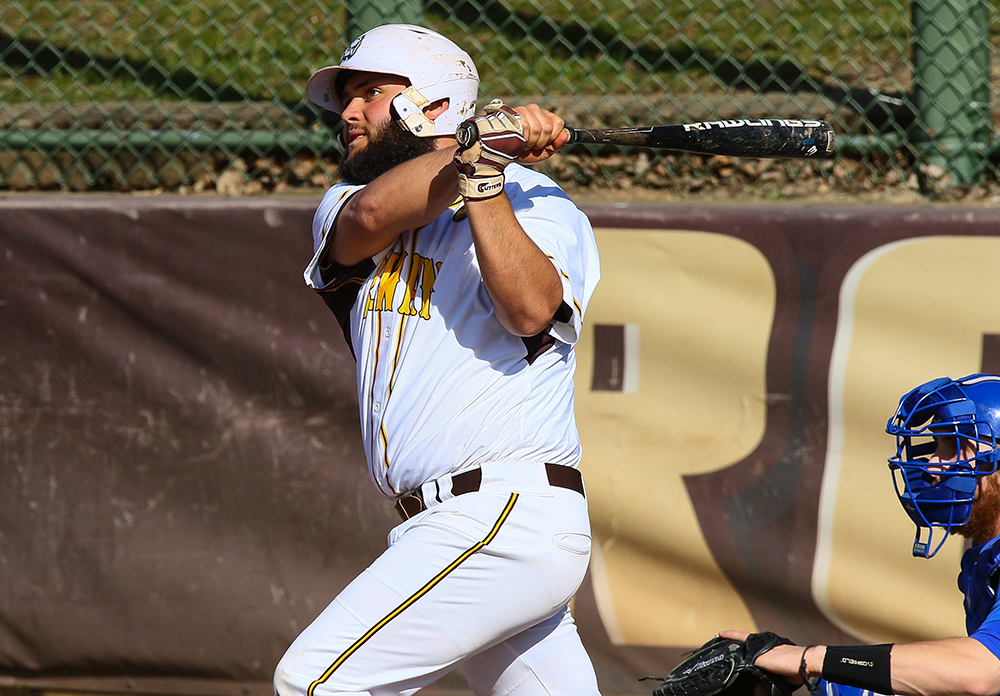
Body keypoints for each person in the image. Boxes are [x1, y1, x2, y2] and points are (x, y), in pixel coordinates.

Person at [273, 23, 602, 696]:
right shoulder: (346, 205)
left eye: (369, 93)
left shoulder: (539, 204)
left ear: (432, 104)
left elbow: (531, 311)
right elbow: (366, 219)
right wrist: (470, 152)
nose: (348, 113)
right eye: (346, 99)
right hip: (441, 528)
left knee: (315, 684)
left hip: (504, 516)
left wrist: (483, 176)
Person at [722, 373, 1000, 696]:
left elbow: (982, 672)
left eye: (954, 446)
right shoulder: (985, 559)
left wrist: (811, 659)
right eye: (936, 445)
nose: (932, 464)